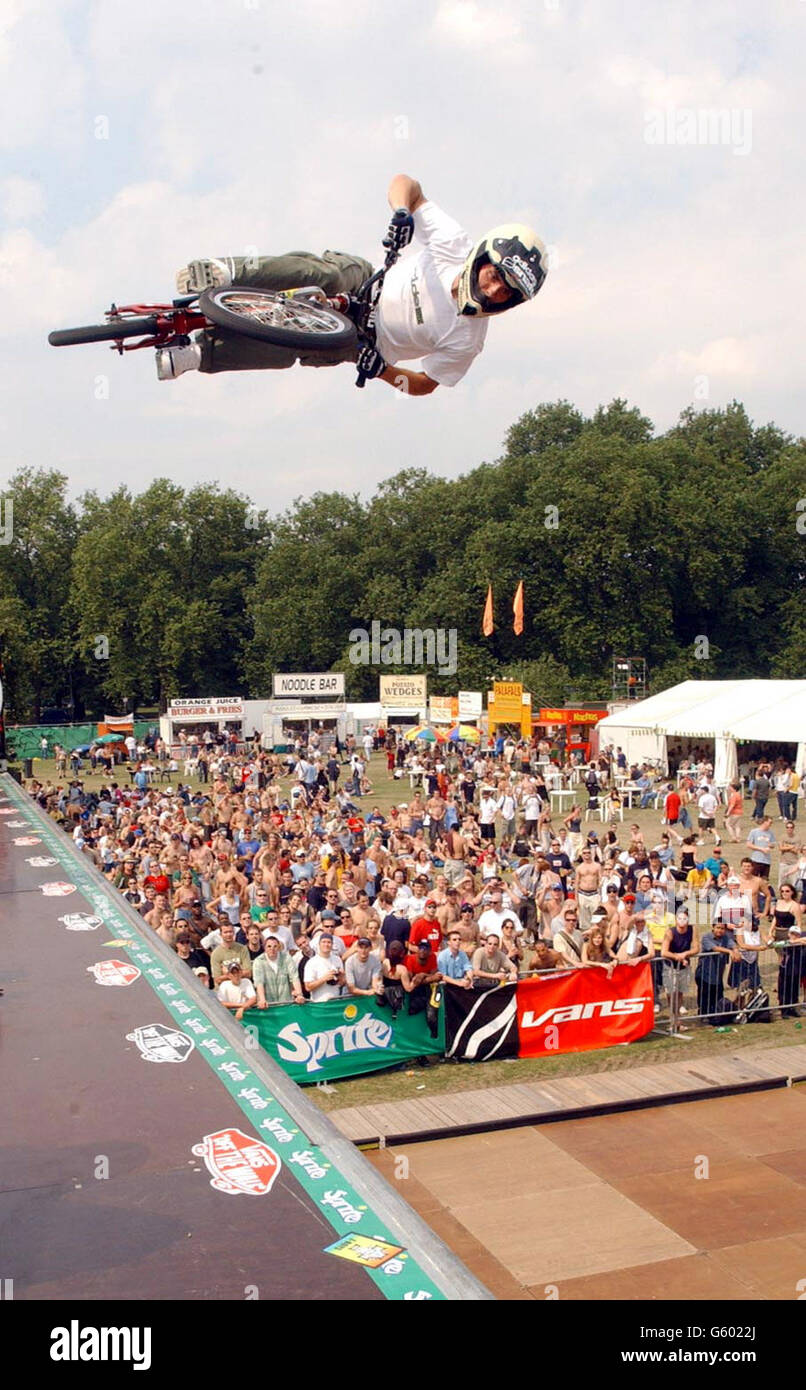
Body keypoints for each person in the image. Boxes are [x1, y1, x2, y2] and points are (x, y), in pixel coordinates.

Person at [163, 176, 547, 391]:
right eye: (496, 276)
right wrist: (402, 212)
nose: (495, 291)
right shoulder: (453, 244)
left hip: (365, 340)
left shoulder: (468, 340)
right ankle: (228, 272)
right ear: (481, 257)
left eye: (508, 293)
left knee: (290, 349)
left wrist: (381, 370)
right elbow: (407, 185)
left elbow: (425, 384)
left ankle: (197, 357)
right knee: (321, 274)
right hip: (367, 282)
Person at [253, 935, 304, 1007]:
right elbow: (259, 982)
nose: (272, 949)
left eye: (275, 946)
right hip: (268, 1005)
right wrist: (262, 999)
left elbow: (294, 977)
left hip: (286, 1003)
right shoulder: (258, 961)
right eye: (269, 946)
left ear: (279, 947)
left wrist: (299, 994)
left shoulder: (287, 958)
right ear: (264, 948)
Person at [303, 932, 345, 1001]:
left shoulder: (337, 959)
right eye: (323, 942)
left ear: (332, 945)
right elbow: (308, 987)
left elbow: (341, 984)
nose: (326, 944)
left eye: (329, 942)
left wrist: (342, 977)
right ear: (319, 944)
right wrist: (324, 979)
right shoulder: (312, 962)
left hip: (335, 1000)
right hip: (319, 1003)